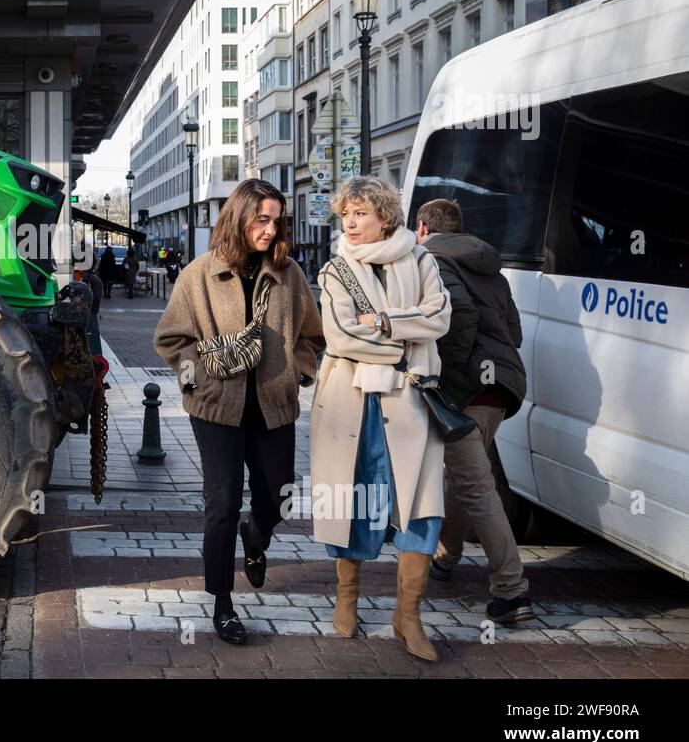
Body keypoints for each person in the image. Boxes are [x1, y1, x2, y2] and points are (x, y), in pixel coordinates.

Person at [154, 179, 325, 645]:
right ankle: (223, 603)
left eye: (276, 220)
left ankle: (258, 533)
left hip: (273, 404)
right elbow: (171, 339)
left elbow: (312, 334)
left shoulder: (289, 274)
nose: (270, 230)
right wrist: (198, 380)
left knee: (278, 495)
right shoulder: (199, 275)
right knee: (222, 502)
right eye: (261, 219)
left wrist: (300, 373)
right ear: (239, 218)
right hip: (216, 409)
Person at [310, 176, 452, 662]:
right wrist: (407, 337)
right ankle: (346, 597)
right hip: (353, 401)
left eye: (360, 214)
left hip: (413, 399)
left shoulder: (422, 259)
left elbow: (440, 319)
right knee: (352, 495)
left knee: (420, 505)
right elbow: (341, 337)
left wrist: (386, 322)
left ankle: (407, 616)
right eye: (345, 214)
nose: (349, 223)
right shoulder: (335, 270)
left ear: (385, 218)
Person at [416, 199, 535, 624]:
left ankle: (511, 588)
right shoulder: (490, 267)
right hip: (501, 387)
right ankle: (446, 557)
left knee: (477, 486)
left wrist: (455, 381)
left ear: (424, 227)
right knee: (471, 475)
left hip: (469, 388)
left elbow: (460, 318)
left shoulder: (434, 261)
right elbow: (514, 331)